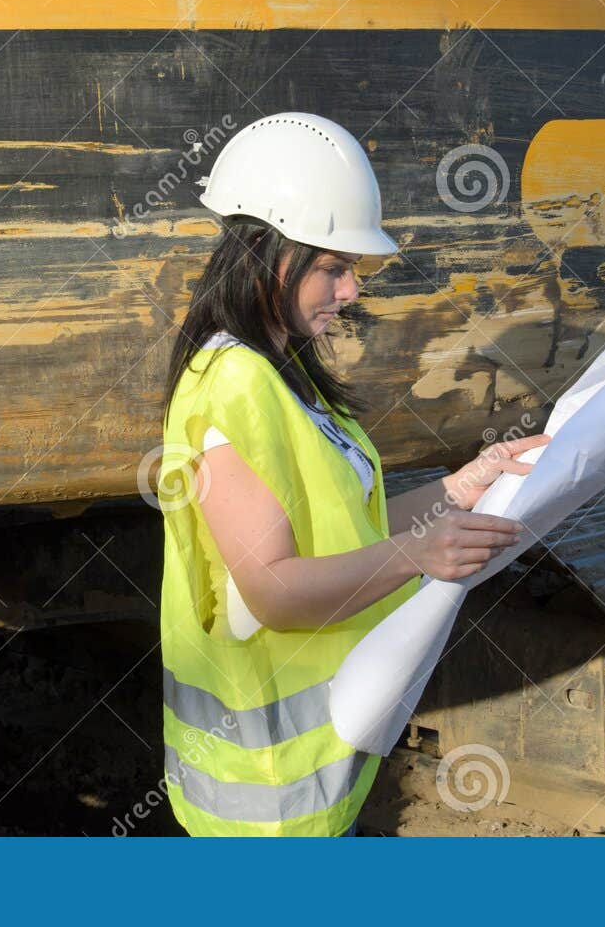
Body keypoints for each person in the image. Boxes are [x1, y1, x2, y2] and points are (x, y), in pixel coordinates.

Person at [156, 112, 548, 836]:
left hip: (313, 780)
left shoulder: (282, 372)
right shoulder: (233, 382)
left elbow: (348, 528)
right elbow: (273, 591)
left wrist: (466, 483)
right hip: (261, 805)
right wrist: (417, 557)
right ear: (263, 253)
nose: (352, 291)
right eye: (332, 267)